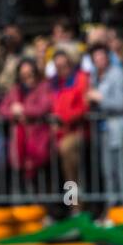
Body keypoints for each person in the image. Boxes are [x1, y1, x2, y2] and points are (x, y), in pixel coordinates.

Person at [88, 42, 123, 205]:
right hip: (104, 130)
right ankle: (112, 208)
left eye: (102, 56)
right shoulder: (93, 77)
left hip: (120, 129)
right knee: (108, 172)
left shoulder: (117, 73)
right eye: (96, 58)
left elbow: (122, 103)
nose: (99, 60)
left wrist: (100, 98)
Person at [0, 57, 55, 185]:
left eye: (30, 74)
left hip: (39, 139)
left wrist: (22, 110)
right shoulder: (15, 90)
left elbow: (44, 107)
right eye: (24, 75)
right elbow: (2, 109)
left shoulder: (44, 87)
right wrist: (13, 111)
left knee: (43, 179)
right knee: (24, 180)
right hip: (20, 140)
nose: (28, 78)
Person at [51, 49, 90, 210]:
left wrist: (63, 118)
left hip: (76, 132)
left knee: (69, 165)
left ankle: (75, 206)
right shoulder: (53, 82)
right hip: (56, 134)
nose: (62, 68)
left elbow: (84, 106)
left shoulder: (80, 78)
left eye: (64, 65)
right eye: (58, 66)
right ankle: (60, 209)